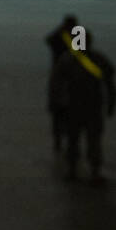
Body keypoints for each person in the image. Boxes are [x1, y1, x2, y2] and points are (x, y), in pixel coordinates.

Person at [52, 32, 116, 184]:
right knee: (89, 140)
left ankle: (76, 171)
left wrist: (58, 104)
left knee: (77, 140)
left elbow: (57, 84)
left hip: (77, 107)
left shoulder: (67, 60)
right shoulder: (97, 59)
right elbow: (109, 85)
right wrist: (111, 104)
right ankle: (91, 172)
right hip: (88, 107)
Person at [45, 15, 79, 153]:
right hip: (72, 77)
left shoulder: (60, 36)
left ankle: (59, 141)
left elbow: (49, 41)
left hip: (63, 77)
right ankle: (63, 142)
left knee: (59, 113)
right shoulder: (75, 35)